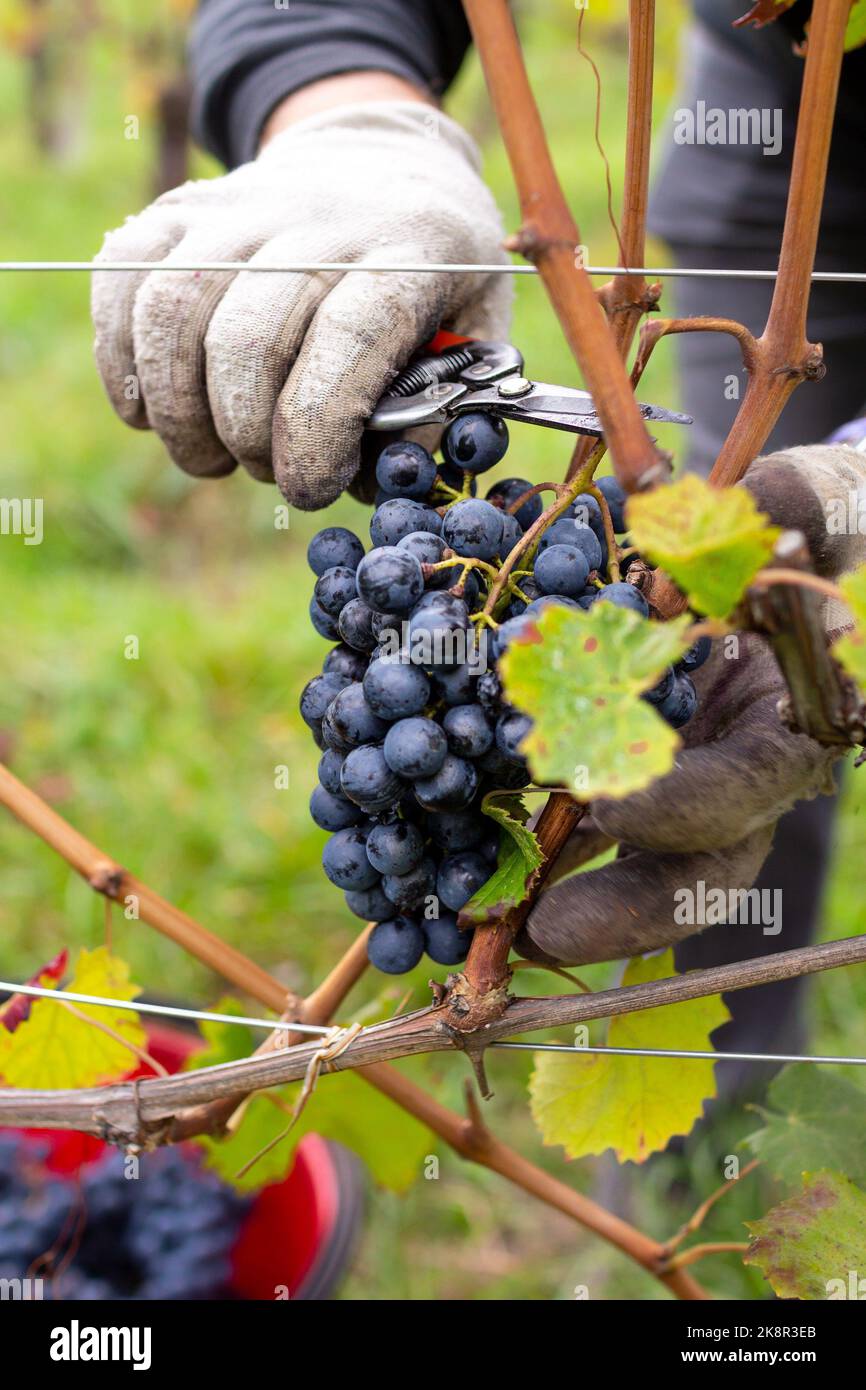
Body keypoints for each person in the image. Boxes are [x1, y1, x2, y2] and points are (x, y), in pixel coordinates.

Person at [90, 1, 866, 1088]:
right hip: (777, 141)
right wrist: (342, 104)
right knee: (716, 680)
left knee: (779, 625)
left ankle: (723, 1133)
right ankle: (716, 1123)